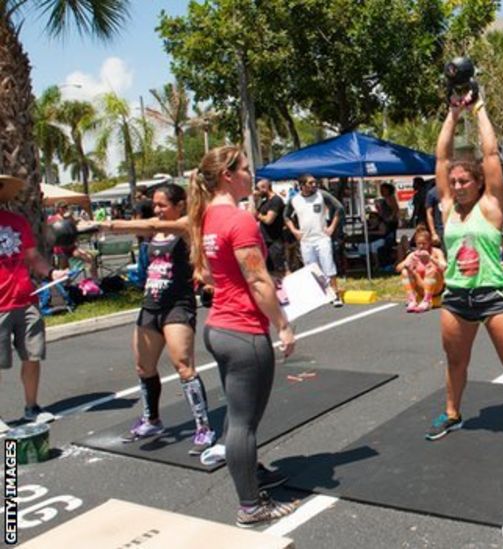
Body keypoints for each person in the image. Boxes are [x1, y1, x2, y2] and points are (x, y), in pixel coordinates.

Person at [427, 91, 503, 455]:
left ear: (479, 183)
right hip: (456, 298)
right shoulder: (447, 209)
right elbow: (441, 157)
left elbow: (491, 154)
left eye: (465, 181)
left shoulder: (492, 206)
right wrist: (452, 114)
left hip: (493, 295)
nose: (458, 186)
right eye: (454, 181)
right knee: (455, 361)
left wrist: (478, 109)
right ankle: (452, 413)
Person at [187, 146, 297, 527]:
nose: (253, 175)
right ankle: (251, 506)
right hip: (243, 332)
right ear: (228, 175)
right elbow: (257, 279)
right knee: (242, 424)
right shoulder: (239, 220)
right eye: (247, 169)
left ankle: (251, 474)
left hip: (219, 327)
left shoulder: (207, 217)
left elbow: (213, 274)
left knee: (239, 417)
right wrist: (283, 324)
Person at [96, 184, 215, 452]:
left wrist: (106, 225)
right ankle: (152, 420)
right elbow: (150, 229)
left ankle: (203, 427)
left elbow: (148, 225)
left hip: (177, 306)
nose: (157, 209)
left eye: (163, 205)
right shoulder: (156, 232)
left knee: (183, 366)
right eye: (155, 204)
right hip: (150, 306)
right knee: (144, 368)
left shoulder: (186, 226)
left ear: (180, 205)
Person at [0, 175, 68, 431]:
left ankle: (32, 408)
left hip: (25, 300)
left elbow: (32, 257)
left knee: (32, 356)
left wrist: (51, 273)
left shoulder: (17, 222)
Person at [284, 174, 343, 306]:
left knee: (328, 265)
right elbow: (286, 216)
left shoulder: (321, 195)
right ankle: (321, 293)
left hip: (322, 238)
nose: (314, 185)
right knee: (312, 269)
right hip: (306, 240)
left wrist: (332, 227)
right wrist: (294, 230)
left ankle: (335, 293)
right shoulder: (294, 199)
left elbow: (339, 208)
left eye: (315, 182)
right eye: (310, 183)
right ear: (302, 185)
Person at [395, 227, 446, 313]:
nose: (421, 246)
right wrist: (406, 263)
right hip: (421, 287)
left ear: (429, 242)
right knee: (405, 272)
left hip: (436, 287)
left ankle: (427, 301)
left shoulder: (436, 252)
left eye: (424, 243)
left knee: (431, 270)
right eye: (419, 244)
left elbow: (444, 266)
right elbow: (398, 269)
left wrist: (430, 258)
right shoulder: (413, 254)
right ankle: (412, 300)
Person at [250, 179, 287, 278]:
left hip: (275, 240)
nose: (256, 191)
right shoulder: (264, 202)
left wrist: (259, 215)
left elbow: (268, 220)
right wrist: (254, 200)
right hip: (266, 241)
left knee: (280, 271)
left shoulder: (276, 200)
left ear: (265, 188)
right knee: (270, 271)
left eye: (258, 189)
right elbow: (252, 216)